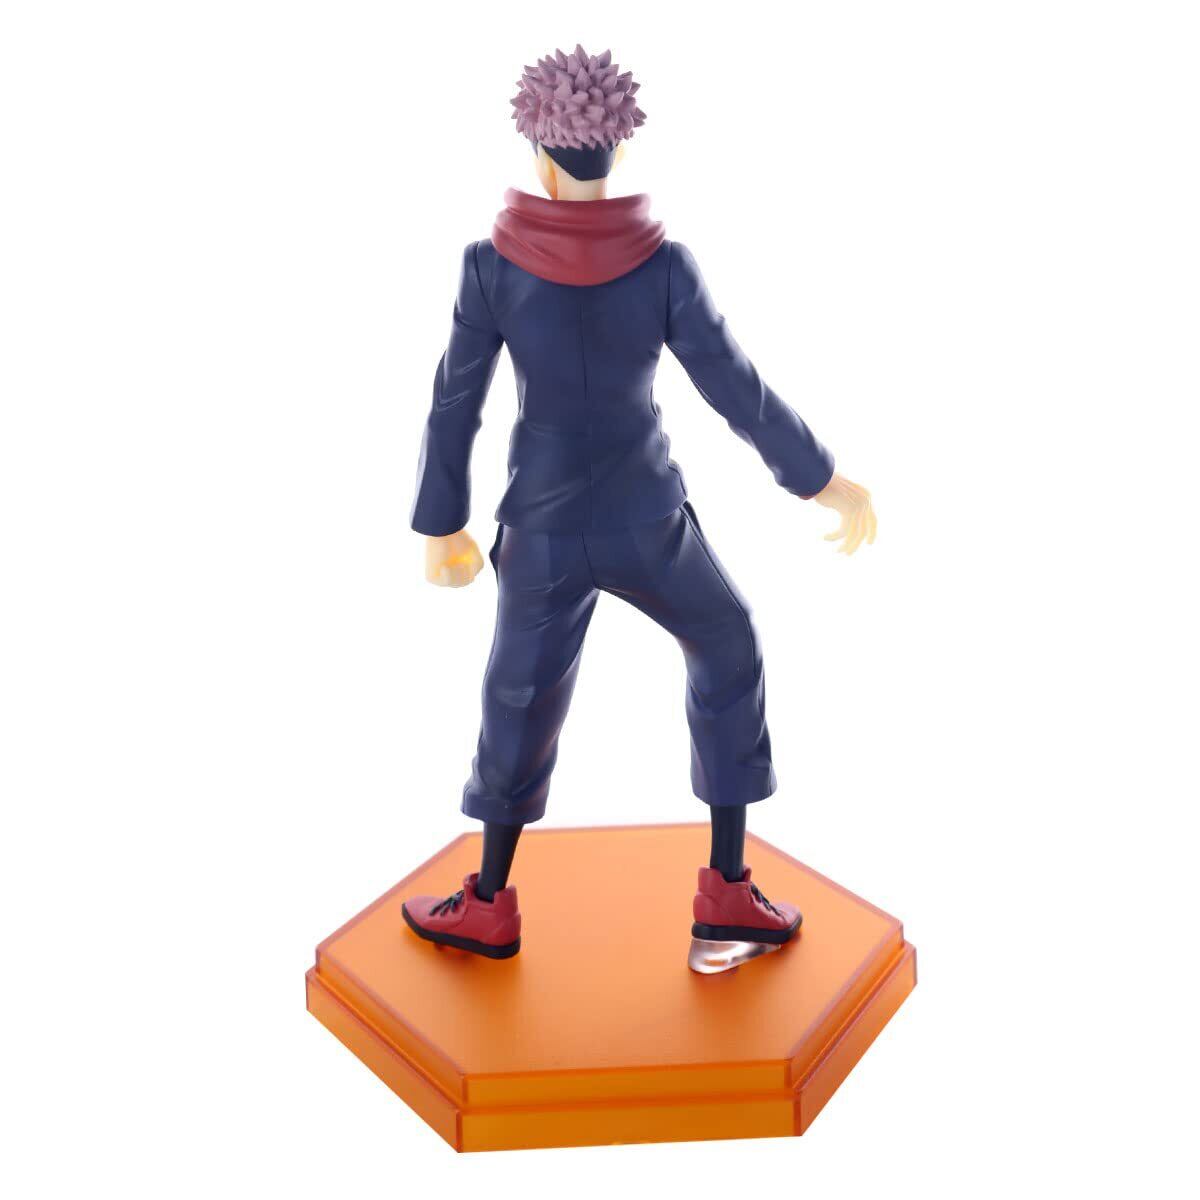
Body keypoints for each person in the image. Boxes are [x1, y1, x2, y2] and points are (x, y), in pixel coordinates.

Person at [401, 46, 876, 972]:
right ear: (619, 150)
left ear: (539, 155)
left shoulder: (491, 268)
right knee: (727, 646)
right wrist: (820, 478)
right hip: (646, 521)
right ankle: (725, 891)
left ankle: (490, 903)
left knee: (518, 698)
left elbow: (454, 403)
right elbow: (735, 388)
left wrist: (441, 525)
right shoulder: (662, 266)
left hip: (544, 528)